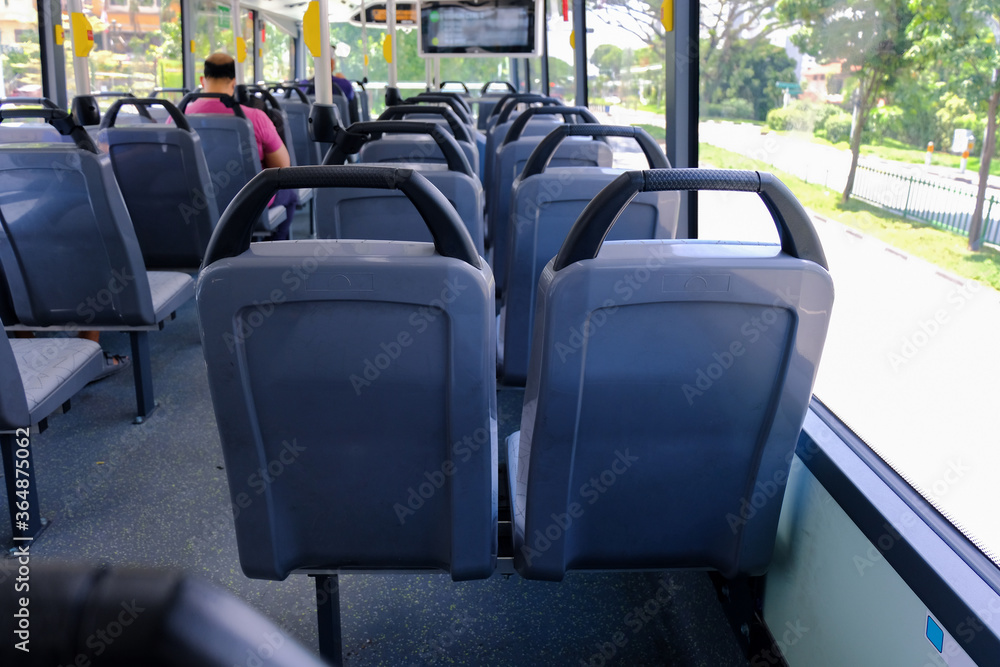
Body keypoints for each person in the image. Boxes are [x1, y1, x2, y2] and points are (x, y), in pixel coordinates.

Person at [185, 53, 297, 240]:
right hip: (248, 203)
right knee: (290, 195)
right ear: (234, 82)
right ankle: (272, 253)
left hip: (195, 203)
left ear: (202, 80)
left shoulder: (179, 117)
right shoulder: (255, 118)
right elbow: (283, 168)